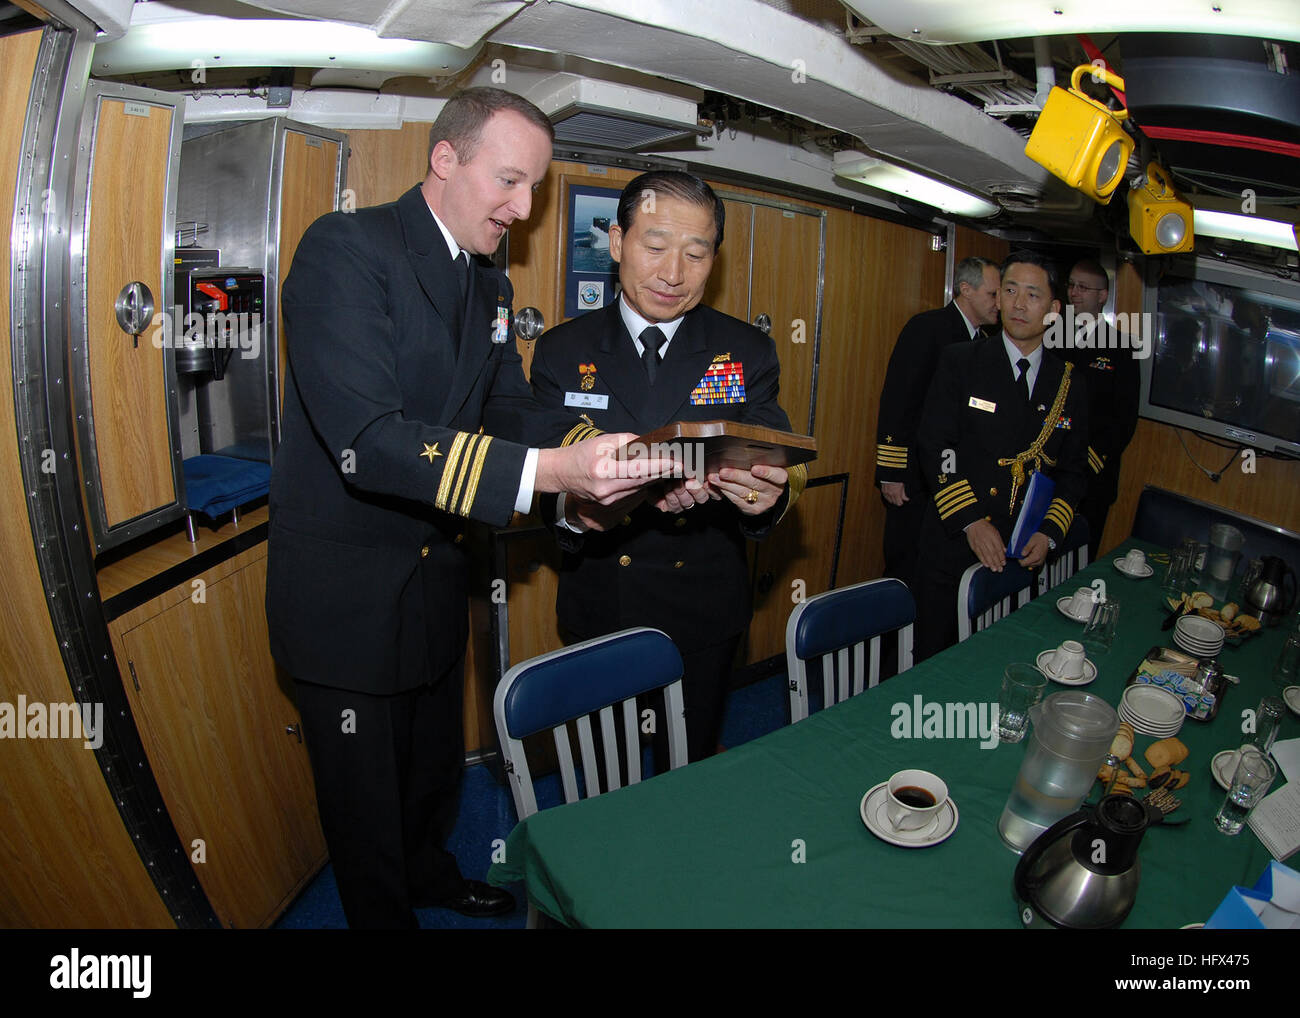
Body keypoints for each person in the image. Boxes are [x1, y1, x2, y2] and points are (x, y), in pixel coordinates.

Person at [266, 88, 671, 929]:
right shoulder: (346, 249)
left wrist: (605, 444)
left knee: (430, 769)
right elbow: (371, 440)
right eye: (510, 182)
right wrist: (552, 473)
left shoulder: (487, 286)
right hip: (346, 595)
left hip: (436, 577)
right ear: (444, 160)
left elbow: (510, 408)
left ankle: (430, 874)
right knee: (363, 799)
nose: (523, 212)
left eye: (536, 190)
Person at [529, 170, 806, 763]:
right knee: (606, 766)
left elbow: (775, 453)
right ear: (617, 243)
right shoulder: (561, 350)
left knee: (691, 765)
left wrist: (768, 498)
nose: (673, 274)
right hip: (605, 599)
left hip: (703, 603)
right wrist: (586, 513)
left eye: (696, 253)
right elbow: (546, 484)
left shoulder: (746, 350)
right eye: (654, 247)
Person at [912, 251, 1090, 661]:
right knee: (935, 666)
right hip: (953, 542)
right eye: (1009, 291)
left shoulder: (1067, 383)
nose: (1018, 303)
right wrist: (971, 520)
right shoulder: (962, 361)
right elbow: (936, 447)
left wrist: (1049, 532)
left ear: (1054, 309)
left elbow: (1073, 472)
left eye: (1032, 294)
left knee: (997, 665)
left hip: (1021, 553)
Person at [875, 256, 1000, 594]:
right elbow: (899, 400)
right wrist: (891, 472)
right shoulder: (927, 328)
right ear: (965, 290)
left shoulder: (983, 342)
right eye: (992, 294)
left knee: (933, 570)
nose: (999, 303)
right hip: (913, 476)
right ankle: (893, 644)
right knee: (904, 565)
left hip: (949, 479)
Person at [1059, 259, 1140, 562]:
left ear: (1103, 296)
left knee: (1079, 560)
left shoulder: (1121, 348)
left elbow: (1124, 419)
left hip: (1092, 475)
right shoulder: (1052, 337)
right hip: (1050, 469)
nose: (1074, 293)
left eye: (1083, 287)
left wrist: (1086, 458)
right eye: (1071, 285)